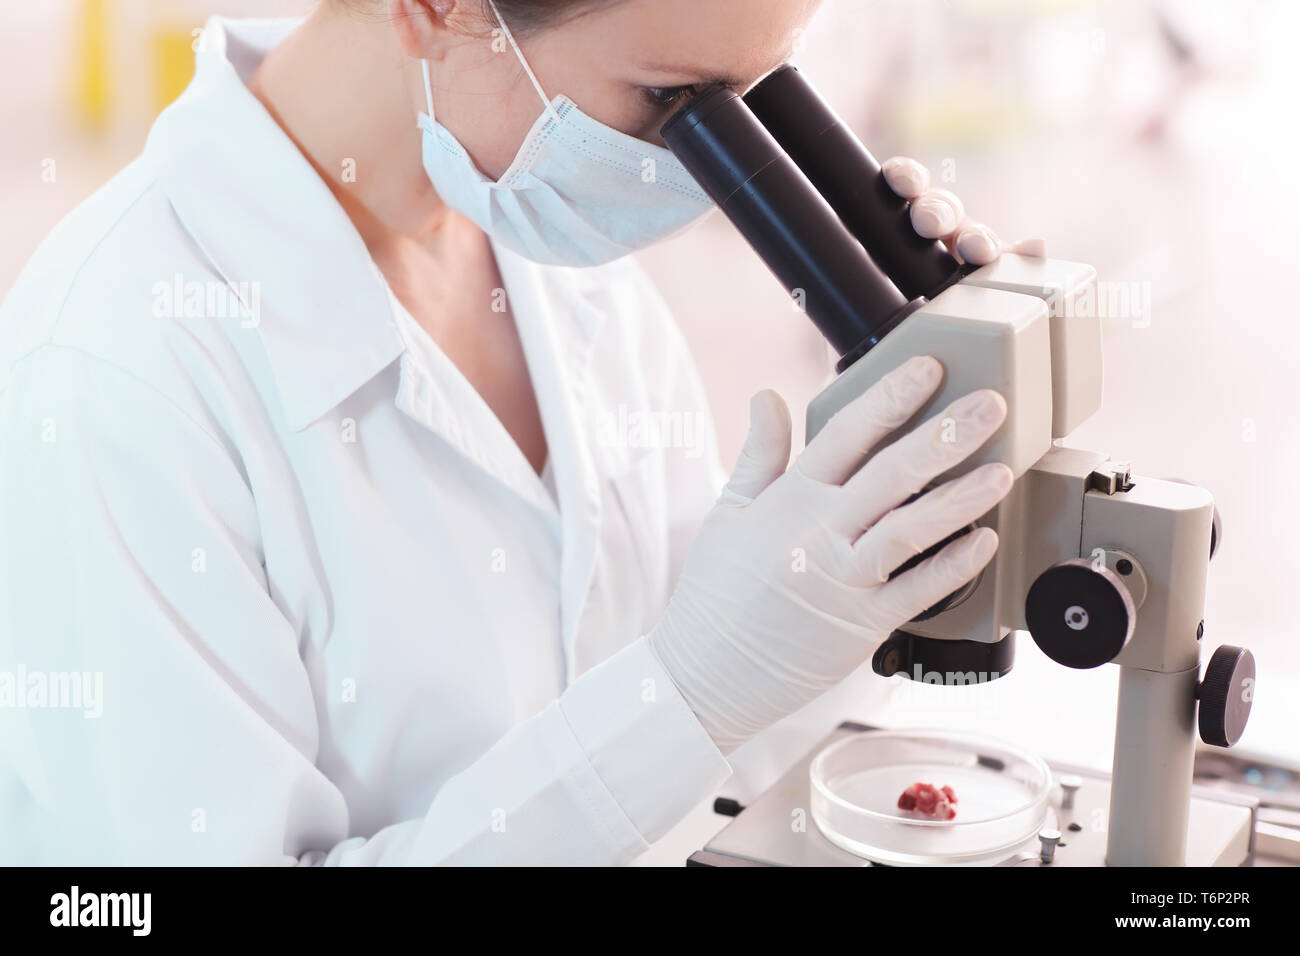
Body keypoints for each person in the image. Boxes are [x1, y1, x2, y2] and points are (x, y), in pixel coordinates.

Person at [0, 0, 1039, 864]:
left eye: (765, 93)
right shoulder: (117, 367)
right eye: (672, 102)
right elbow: (682, 703)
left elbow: (726, 752)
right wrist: (685, 696)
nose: (703, 171)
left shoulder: (549, 259)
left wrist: (886, 477)